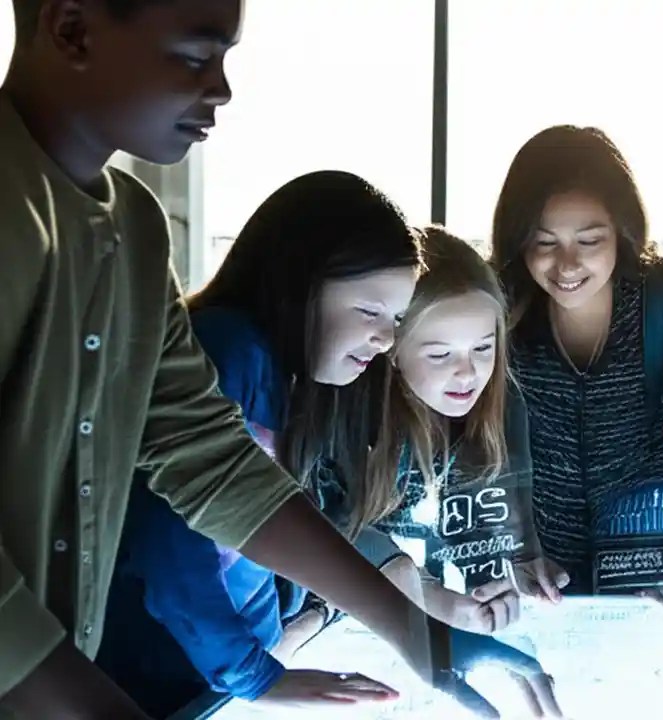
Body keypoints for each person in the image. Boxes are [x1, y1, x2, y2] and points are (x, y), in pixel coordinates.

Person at [0, 2, 501, 718]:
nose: (222, 89)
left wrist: (414, 632)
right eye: (194, 56)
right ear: (71, 29)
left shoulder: (134, 228)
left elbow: (212, 461)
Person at [95, 171, 423, 714]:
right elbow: (172, 544)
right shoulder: (229, 349)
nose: (387, 339)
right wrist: (254, 675)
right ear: (299, 282)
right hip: (160, 678)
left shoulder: (288, 379)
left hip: (213, 677)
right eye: (369, 312)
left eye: (396, 319)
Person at [489, 125, 663, 600]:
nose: (567, 265)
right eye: (544, 243)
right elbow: (476, 443)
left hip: (645, 570)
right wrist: (512, 549)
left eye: (589, 241)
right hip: (533, 576)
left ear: (621, 233)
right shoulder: (496, 308)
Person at [370, 226, 567, 718]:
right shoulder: (360, 420)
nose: (468, 372)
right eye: (440, 354)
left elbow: (504, 530)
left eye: (483, 348)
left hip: (459, 629)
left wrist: (520, 570)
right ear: (392, 346)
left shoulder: (504, 407)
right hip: (368, 636)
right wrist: (434, 603)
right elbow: (337, 536)